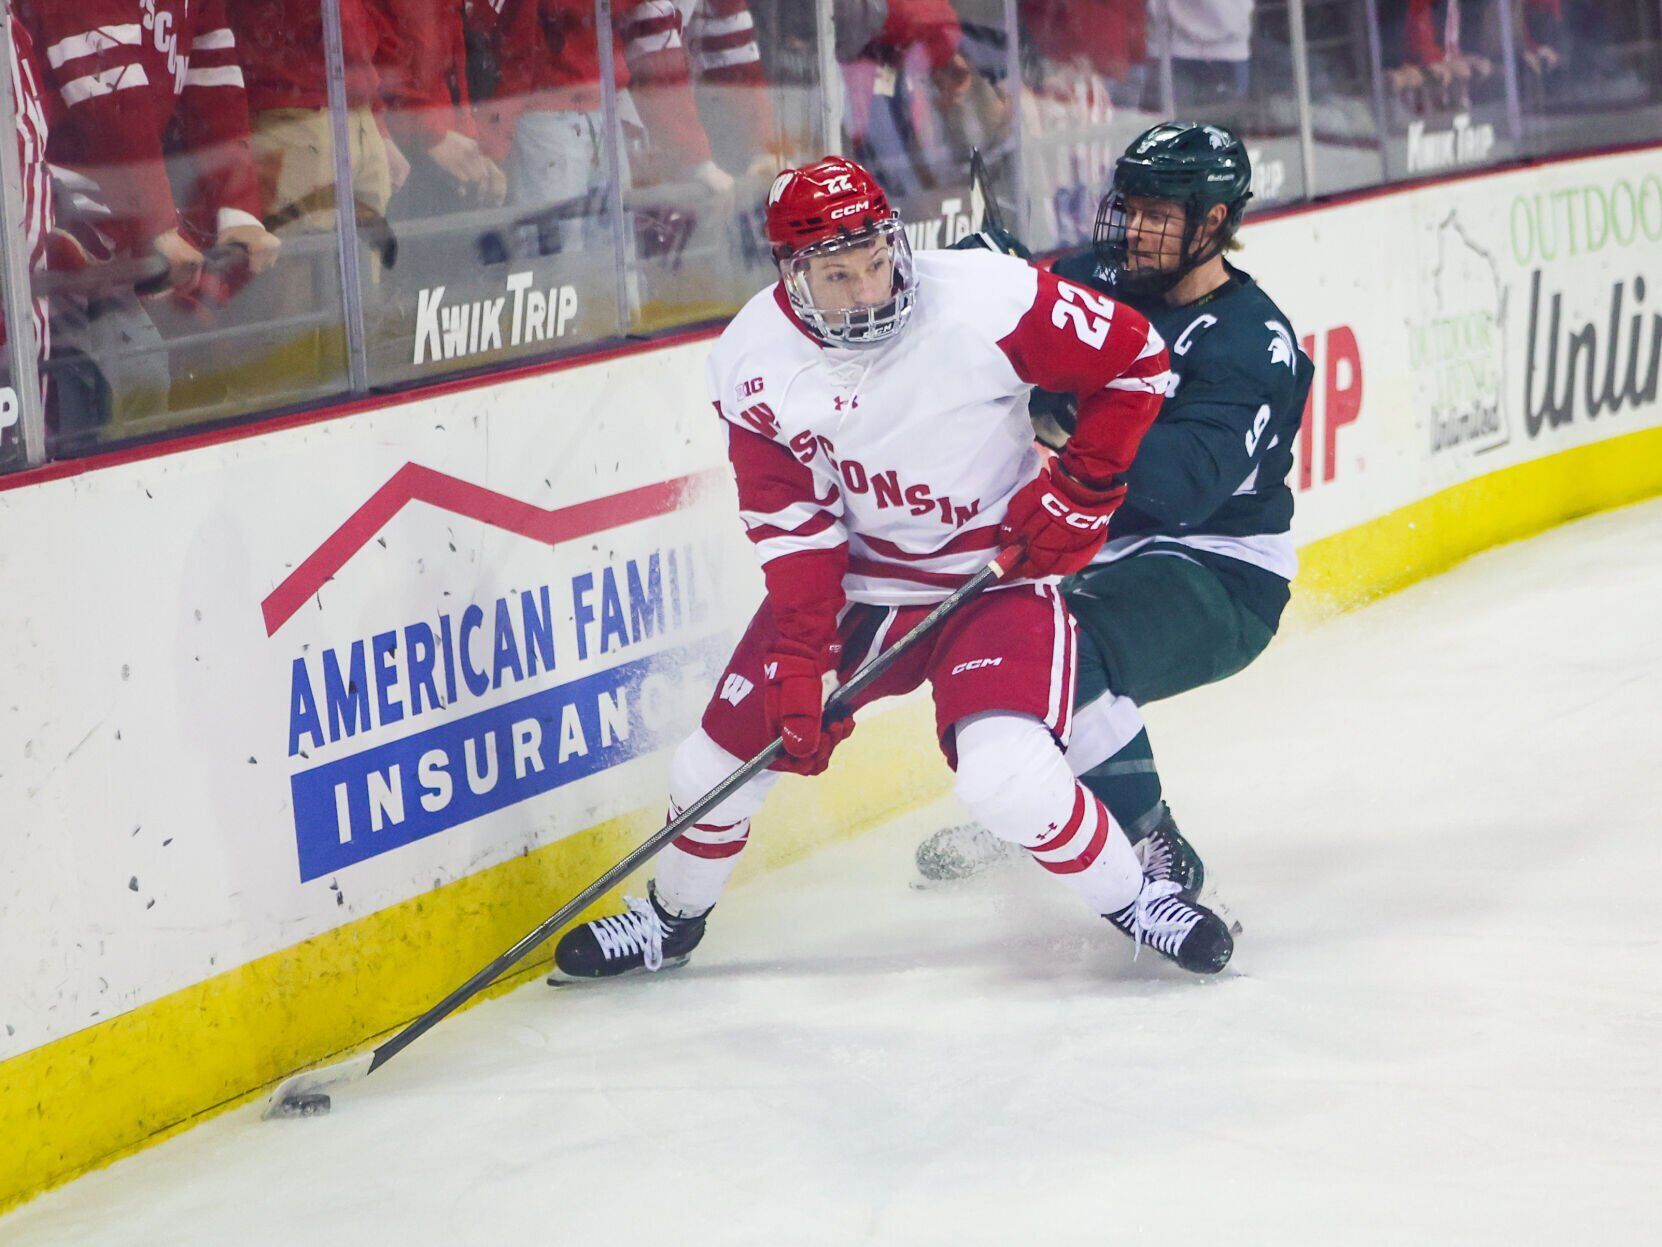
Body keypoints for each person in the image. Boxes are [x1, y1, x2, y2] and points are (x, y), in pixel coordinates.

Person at [549, 154, 1236, 984]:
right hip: (856, 591)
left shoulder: (987, 297)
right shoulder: (751, 360)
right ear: (793, 274)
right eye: (839, 276)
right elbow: (794, 526)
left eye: (878, 260)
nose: (869, 290)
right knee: (711, 766)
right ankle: (668, 921)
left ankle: (1136, 902)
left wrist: (1083, 491)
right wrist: (802, 659)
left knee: (1006, 775)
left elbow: (1136, 360)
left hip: (993, 578)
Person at [916, 122, 1312, 905]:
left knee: (1065, 641)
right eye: (1130, 207)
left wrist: (1062, 411)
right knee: (985, 631)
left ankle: (1151, 836)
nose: (1134, 228)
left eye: (1160, 213)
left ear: (1213, 224)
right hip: (1103, 549)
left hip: (1219, 573)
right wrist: (978, 279)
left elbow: (1179, 487)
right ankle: (1042, 803)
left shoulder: (1250, 342)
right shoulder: (1105, 272)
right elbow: (1015, 304)